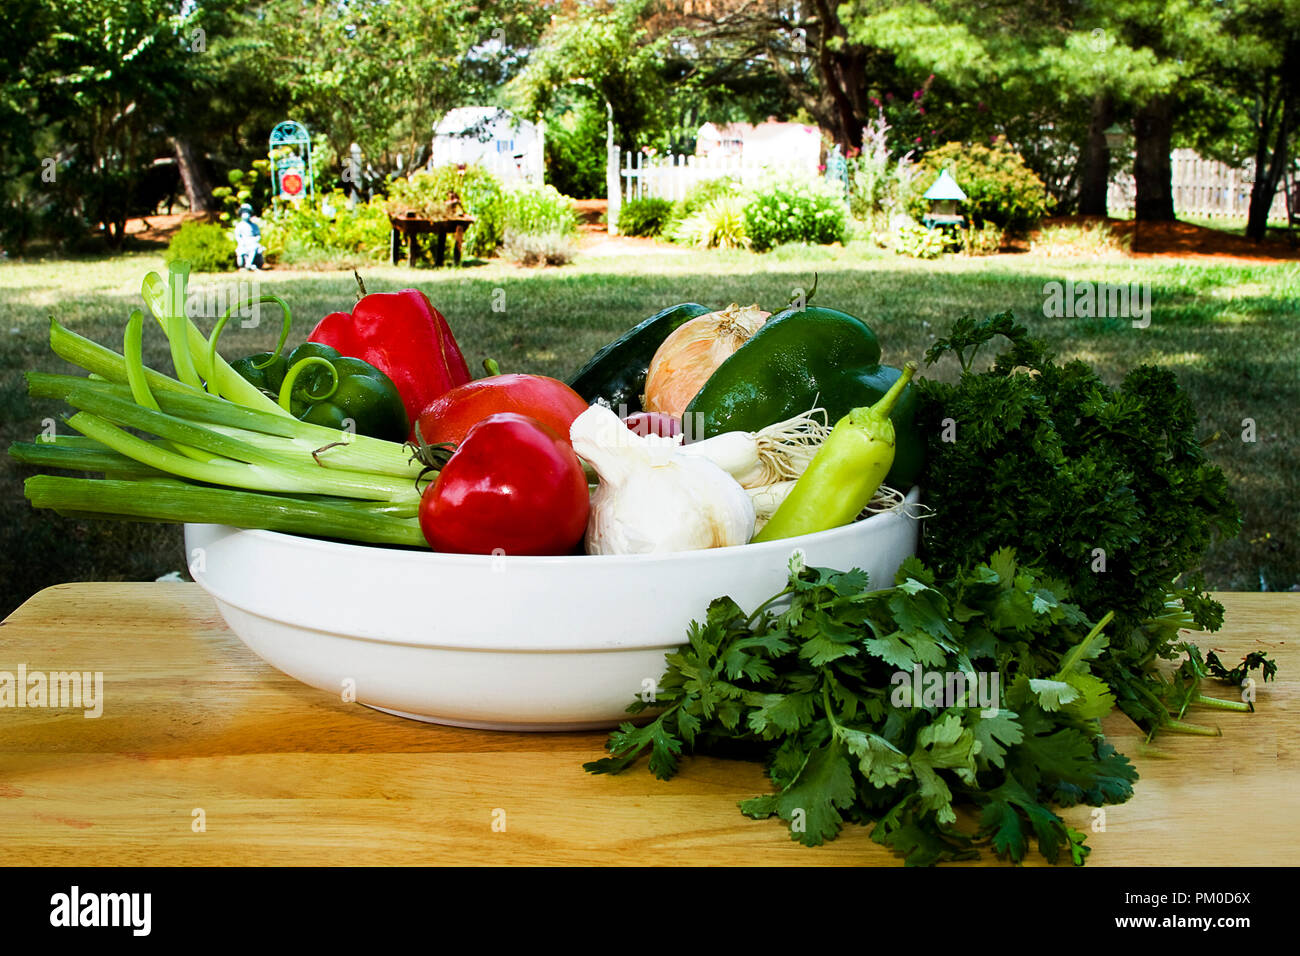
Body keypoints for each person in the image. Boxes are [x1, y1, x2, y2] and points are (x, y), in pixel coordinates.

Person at [233, 204, 264, 271]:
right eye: (244, 212)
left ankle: (249, 264)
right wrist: (241, 242)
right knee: (242, 251)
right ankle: (247, 265)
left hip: (252, 241)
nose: (246, 214)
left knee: (254, 248)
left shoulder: (254, 226)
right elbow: (237, 236)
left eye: (247, 212)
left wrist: (256, 239)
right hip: (244, 242)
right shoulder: (239, 225)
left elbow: (258, 235)